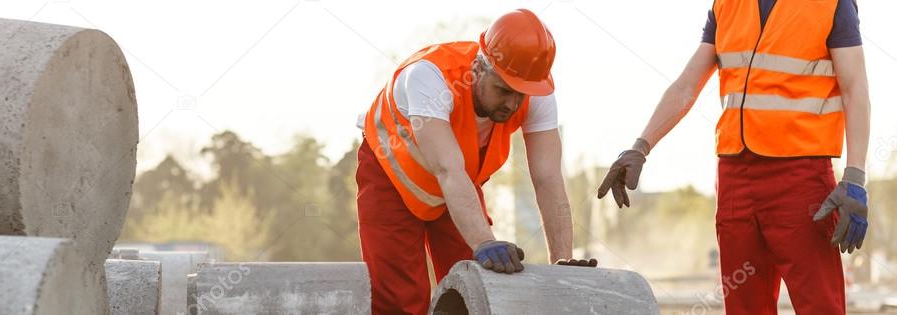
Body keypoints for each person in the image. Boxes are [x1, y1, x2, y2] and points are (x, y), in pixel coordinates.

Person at [597, 1, 869, 314]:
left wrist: (855, 176)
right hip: (735, 179)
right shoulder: (727, 4)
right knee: (743, 307)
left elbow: (855, 88)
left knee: (821, 306)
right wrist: (640, 147)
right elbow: (687, 86)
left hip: (800, 176)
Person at [355, 9, 592, 314]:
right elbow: (446, 168)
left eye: (521, 95)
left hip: (458, 185)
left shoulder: (536, 91)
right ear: (479, 67)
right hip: (391, 177)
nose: (513, 104)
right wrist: (482, 242)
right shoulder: (431, 78)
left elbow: (548, 178)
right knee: (400, 300)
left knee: (479, 289)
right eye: (503, 90)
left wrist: (562, 261)